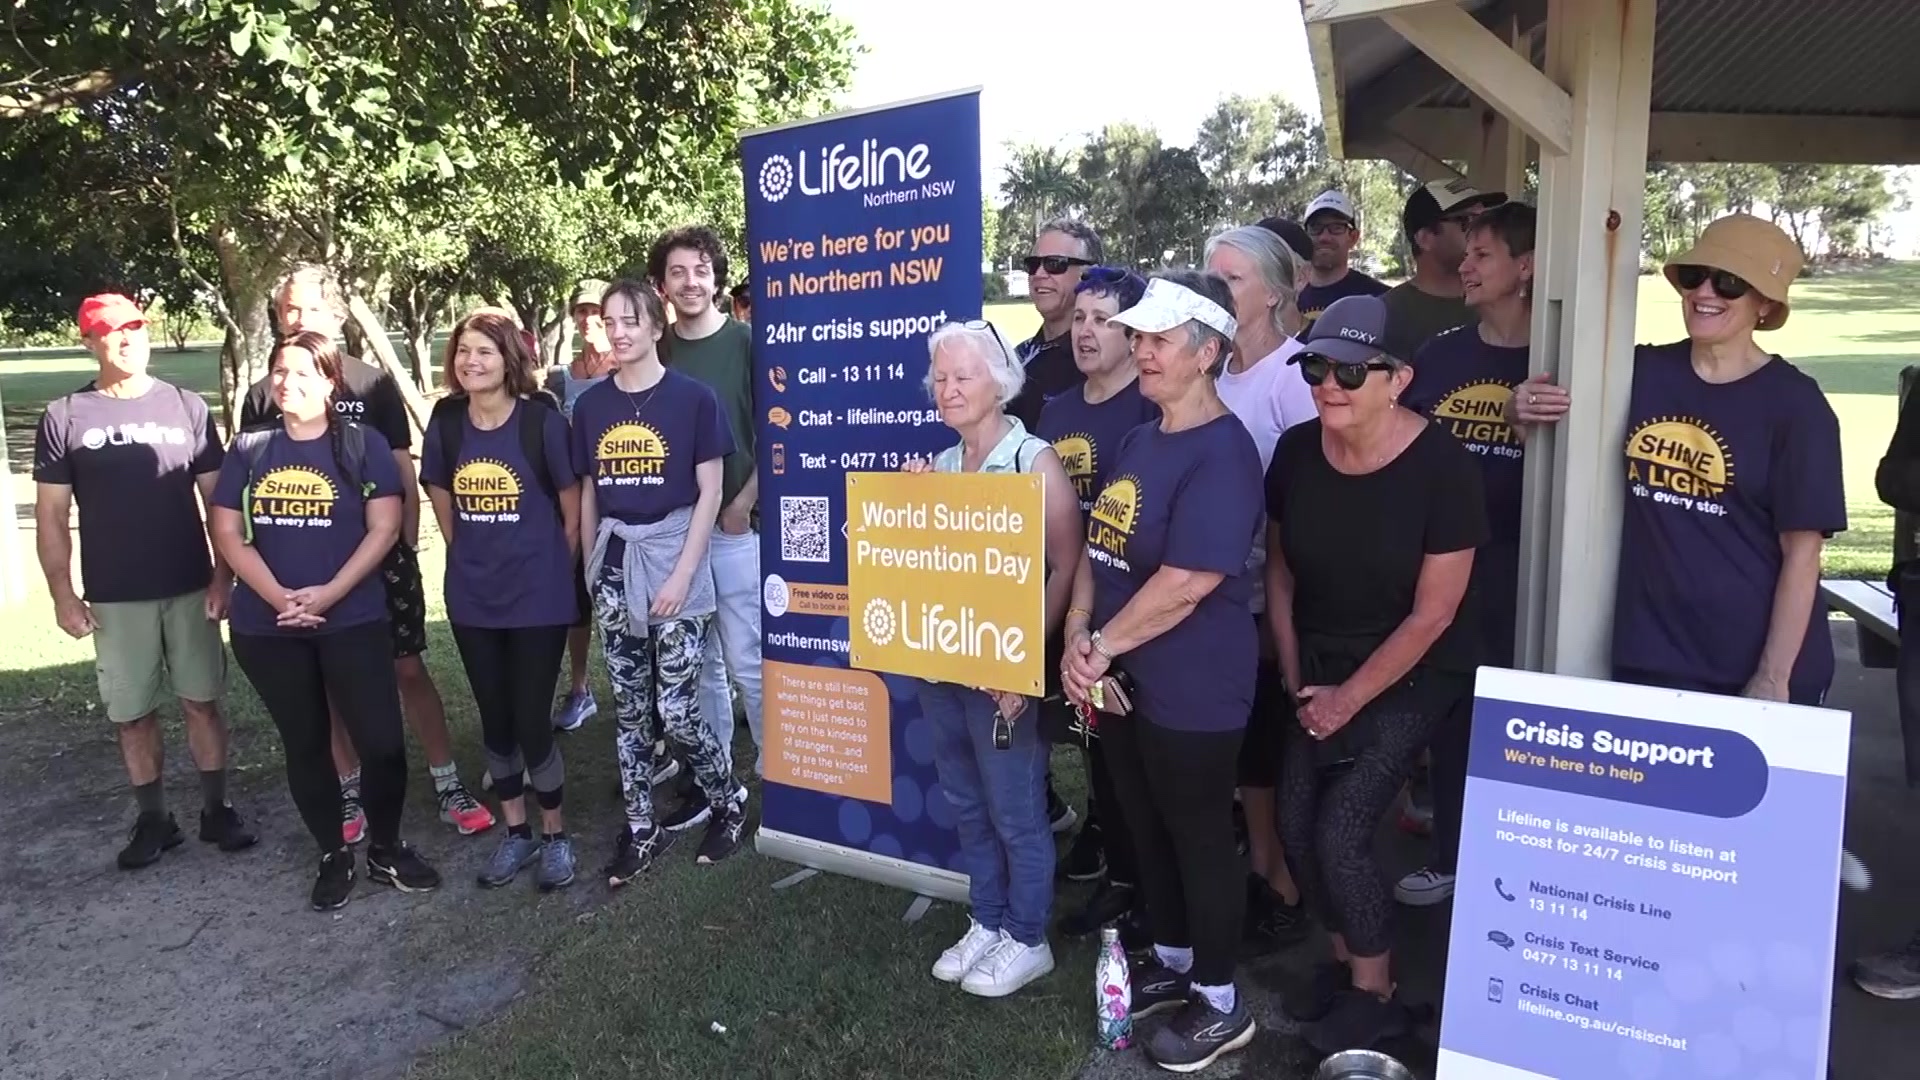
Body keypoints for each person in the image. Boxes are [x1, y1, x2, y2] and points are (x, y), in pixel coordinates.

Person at [1265, 295, 1487, 1051]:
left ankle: (1378, 994)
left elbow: (1435, 613)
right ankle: (1345, 962)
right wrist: (1301, 680)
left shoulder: (1443, 467)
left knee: (1342, 828)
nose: (1329, 384)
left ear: (1399, 379)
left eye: (1351, 371)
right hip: (1318, 661)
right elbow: (1282, 574)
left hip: (1416, 663)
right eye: (1317, 366)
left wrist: (1347, 698)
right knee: (1296, 821)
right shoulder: (1296, 453)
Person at [1062, 271, 1265, 1072]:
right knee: (1142, 823)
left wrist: (1102, 644)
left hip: (1193, 682)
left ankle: (1222, 1000)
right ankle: (1175, 958)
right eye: (1137, 336)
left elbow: (1187, 585)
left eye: (1157, 339)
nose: (1138, 349)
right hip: (1119, 673)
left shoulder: (1225, 452)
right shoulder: (1143, 437)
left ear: (1206, 352)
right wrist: (1080, 630)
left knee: (1198, 837)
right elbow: (1099, 545)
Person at [241, 264, 493, 841]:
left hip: (379, 558)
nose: (296, 320)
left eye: (308, 309)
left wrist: (401, 546)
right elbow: (251, 481)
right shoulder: (264, 393)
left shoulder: (370, 383)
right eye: (287, 310)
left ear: (336, 315)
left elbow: (402, 466)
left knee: (406, 667)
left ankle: (447, 780)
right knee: (325, 681)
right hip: (299, 566)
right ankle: (348, 790)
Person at [211, 332, 441, 909]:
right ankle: (332, 854)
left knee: (383, 744)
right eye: (280, 372)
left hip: (355, 618)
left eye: (304, 373)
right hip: (268, 628)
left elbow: (384, 529)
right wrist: (282, 597)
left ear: (331, 382)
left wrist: (328, 595)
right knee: (307, 743)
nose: (289, 383)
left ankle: (386, 847)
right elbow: (227, 532)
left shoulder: (361, 444)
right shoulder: (249, 447)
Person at [33, 293, 257, 869]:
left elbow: (220, 506)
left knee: (202, 701)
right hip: (114, 595)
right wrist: (62, 593)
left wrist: (223, 576)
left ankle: (216, 810)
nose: (128, 339)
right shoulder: (65, 417)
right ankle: (155, 821)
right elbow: (53, 516)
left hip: (188, 584)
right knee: (131, 713)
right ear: (89, 342)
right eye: (112, 331)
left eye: (135, 327)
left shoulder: (185, 406)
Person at [1396, 203, 1567, 907]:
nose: (1464, 266)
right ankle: (1452, 854)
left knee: (1518, 721)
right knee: (1452, 717)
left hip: (1525, 571)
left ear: (1526, 267)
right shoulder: (1441, 355)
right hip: (1443, 568)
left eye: (1484, 255)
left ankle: (1521, 867)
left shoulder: (1560, 361)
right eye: (1466, 252)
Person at [1612, 214, 1845, 706]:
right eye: (1696, 276)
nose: (1705, 292)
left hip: (1752, 668)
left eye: (1731, 282)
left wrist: (1772, 677)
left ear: (1765, 304)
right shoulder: (1638, 372)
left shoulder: (1797, 407)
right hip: (1648, 655)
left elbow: (1802, 555)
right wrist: (1525, 406)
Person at [915, 320, 1083, 999]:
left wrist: (1020, 664)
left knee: (1016, 810)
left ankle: (1028, 933)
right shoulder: (943, 464)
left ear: (1000, 384)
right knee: (966, 803)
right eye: (941, 378)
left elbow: (1066, 567)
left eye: (964, 377)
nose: (949, 389)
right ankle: (986, 919)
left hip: (1005, 678)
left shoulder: (1032, 461)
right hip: (945, 669)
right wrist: (907, 508)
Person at [570, 279, 747, 884]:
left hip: (677, 560)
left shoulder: (694, 399)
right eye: (609, 322)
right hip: (619, 562)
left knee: (675, 708)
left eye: (630, 321)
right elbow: (591, 489)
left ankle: (728, 799)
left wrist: (684, 572)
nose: (617, 332)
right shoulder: (590, 406)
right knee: (630, 711)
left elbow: (711, 491)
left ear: (655, 327)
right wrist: (594, 564)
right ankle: (641, 828)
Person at [423, 311, 583, 891]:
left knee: (531, 719)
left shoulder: (541, 422)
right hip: (473, 597)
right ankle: (515, 835)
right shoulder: (444, 422)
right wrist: (469, 556)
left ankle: (556, 835)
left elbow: (572, 514)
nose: (471, 361)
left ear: (508, 359)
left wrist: (545, 572)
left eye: (485, 352)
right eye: (463, 350)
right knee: (495, 719)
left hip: (537, 598)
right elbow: (441, 497)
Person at [1203, 224, 1320, 952]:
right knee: (1237, 755)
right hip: (1217, 600)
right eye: (1212, 277)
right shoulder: (1208, 371)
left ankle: (1283, 888)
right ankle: (1255, 875)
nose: (1219, 290)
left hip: (1275, 603)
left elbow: (1318, 498)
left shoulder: (1298, 375)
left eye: (1234, 279)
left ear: (1275, 292)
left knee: (1271, 756)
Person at [1036, 267, 1157, 941]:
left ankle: (1143, 884)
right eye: (1079, 318)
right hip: (1072, 602)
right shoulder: (1056, 409)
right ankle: (1113, 864)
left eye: (1102, 319)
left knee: (1135, 762)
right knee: (1090, 748)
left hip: (1130, 610)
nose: (1085, 331)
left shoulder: (1149, 405)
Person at [651, 226, 766, 782]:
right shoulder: (659, 349)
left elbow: (777, 429)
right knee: (701, 668)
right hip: (674, 533)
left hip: (734, 526)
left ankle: (780, 767)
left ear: (717, 277)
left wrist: (744, 502)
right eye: (678, 272)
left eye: (700, 269)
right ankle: (715, 774)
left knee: (749, 657)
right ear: (662, 285)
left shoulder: (747, 343)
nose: (690, 282)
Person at [546, 279, 617, 733]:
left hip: (621, 501)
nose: (589, 320)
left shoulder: (627, 367)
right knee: (574, 603)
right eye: (582, 312)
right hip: (572, 500)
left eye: (598, 312)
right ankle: (580, 690)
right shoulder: (561, 376)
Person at [1380, 179, 1507, 362]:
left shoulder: (1504, 306)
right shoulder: (1387, 316)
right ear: (1425, 239)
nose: (1484, 234)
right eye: (1468, 222)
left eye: (1486, 222)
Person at [1297, 191, 1388, 328]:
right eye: (1316, 228)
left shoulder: (1380, 299)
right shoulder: (1285, 296)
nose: (1324, 237)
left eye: (1336, 228)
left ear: (1353, 237)